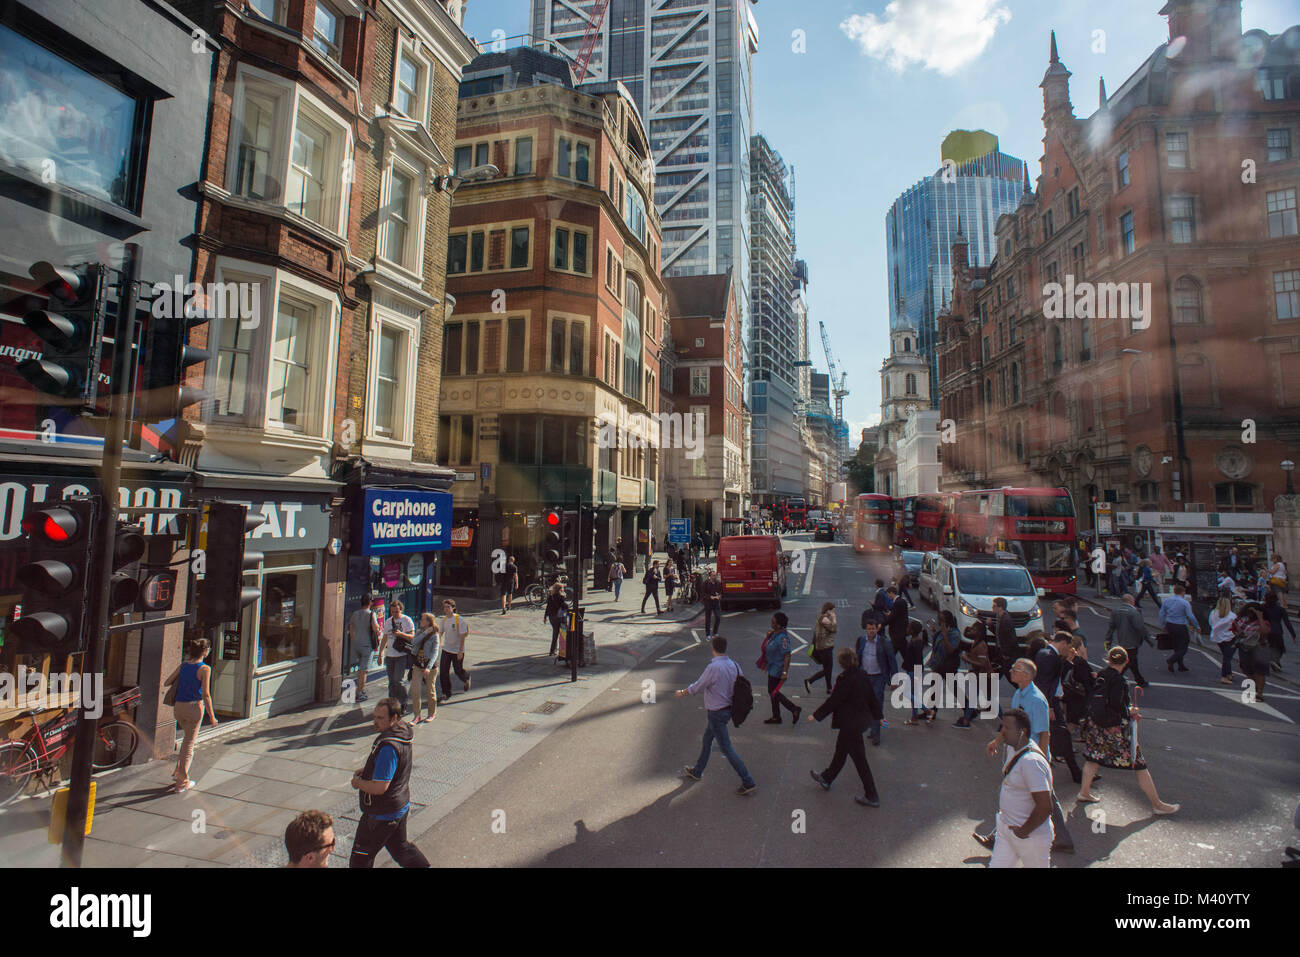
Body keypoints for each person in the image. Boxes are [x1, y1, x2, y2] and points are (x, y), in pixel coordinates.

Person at [974, 658, 1074, 855]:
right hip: (1018, 755)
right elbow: (1010, 723)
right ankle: (1061, 840)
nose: (1011, 671)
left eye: (1016, 669)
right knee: (1025, 797)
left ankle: (999, 838)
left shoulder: (1037, 700)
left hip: (1030, 757)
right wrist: (998, 740)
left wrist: (1043, 761)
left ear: (1027, 675)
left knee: (1036, 798)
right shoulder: (1019, 693)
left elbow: (1044, 733)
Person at [1076, 647, 1180, 815]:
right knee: (1138, 763)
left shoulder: (1101, 674)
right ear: (1126, 662)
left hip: (1097, 724)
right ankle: (1157, 804)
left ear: (1109, 660)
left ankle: (1084, 792)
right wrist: (1130, 711)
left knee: (1093, 756)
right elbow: (1117, 704)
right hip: (1114, 727)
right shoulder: (1119, 680)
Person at [349, 698, 431, 867]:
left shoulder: (388, 747)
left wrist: (358, 783)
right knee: (401, 849)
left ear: (393, 718)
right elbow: (396, 769)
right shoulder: (402, 733)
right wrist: (369, 772)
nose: (375, 722)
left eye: (381, 718)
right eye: (375, 716)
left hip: (381, 814)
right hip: (399, 806)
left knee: (360, 858)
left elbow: (380, 787)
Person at [677, 636, 757, 795]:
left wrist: (683, 692)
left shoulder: (713, 668)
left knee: (726, 747)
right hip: (728, 710)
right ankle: (697, 771)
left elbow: (699, 685)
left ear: (713, 648)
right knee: (707, 740)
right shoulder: (734, 665)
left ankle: (748, 780)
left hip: (716, 713)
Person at [808, 648, 883, 807]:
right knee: (840, 752)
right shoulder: (862, 675)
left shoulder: (845, 679)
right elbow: (872, 697)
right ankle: (827, 778)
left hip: (850, 724)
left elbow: (834, 700)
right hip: (859, 722)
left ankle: (872, 795)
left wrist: (816, 715)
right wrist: (879, 716)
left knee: (860, 761)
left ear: (842, 663)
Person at [985, 707, 1055, 868]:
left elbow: (1045, 806)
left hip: (1030, 838)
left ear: (1022, 732)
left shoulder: (1031, 762)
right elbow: (1004, 734)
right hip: (1005, 829)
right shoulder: (1013, 746)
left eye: (1007, 728)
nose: (1003, 731)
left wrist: (1021, 833)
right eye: (1002, 726)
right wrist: (996, 741)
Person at [165, 637, 217, 793]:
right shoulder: (205, 669)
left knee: (186, 741)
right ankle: (182, 783)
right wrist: (212, 716)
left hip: (178, 708)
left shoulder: (184, 665)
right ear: (205, 651)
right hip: (194, 708)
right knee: (189, 745)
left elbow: (167, 682)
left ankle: (177, 772)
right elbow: (206, 694)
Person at [856, 611, 896, 745]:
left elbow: (892, 661)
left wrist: (894, 679)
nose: (871, 631)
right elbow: (857, 658)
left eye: (873, 629)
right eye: (869, 629)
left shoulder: (884, 643)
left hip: (878, 678)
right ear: (866, 629)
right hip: (865, 678)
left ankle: (877, 734)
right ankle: (873, 729)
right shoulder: (861, 641)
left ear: (877, 629)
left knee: (877, 705)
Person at [761, 612, 801, 725]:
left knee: (773, 691)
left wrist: (784, 672)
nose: (771, 623)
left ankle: (794, 708)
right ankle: (776, 716)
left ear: (778, 625)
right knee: (772, 691)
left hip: (778, 669)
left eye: (773, 621)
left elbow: (787, 655)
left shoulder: (783, 638)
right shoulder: (775, 634)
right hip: (772, 667)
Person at [1104, 593, 1149, 688]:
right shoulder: (1134, 612)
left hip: (1122, 641)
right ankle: (1112, 679)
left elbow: (1111, 627)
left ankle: (1139, 680)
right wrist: (1148, 639)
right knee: (1127, 662)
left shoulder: (1115, 611)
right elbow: (1140, 627)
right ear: (1132, 601)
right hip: (1132, 642)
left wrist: (1108, 640)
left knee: (1133, 661)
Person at [954, 619, 993, 728]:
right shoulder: (975, 643)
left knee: (991, 701)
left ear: (979, 633)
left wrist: (967, 659)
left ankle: (1004, 721)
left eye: (974, 629)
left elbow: (983, 664)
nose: (971, 631)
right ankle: (966, 720)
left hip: (984, 676)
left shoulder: (981, 646)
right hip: (978, 675)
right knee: (974, 698)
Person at [378, 599, 413, 710]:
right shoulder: (388, 621)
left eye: (397, 611)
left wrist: (401, 634)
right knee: (391, 681)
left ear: (401, 610)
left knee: (398, 680)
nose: (395, 614)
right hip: (390, 655)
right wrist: (380, 654)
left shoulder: (407, 620)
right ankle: (392, 704)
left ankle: (403, 701)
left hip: (401, 655)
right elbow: (385, 638)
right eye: (393, 612)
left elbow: (412, 636)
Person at [1234, 604, 1272, 701]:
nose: (1250, 614)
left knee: (1260, 671)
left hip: (1260, 648)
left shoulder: (1264, 622)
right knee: (1245, 668)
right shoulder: (1245, 621)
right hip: (1245, 646)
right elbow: (1236, 629)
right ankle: (1255, 684)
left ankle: (1259, 693)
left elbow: (1264, 632)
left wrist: (1259, 617)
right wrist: (1239, 634)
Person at [408, 613, 441, 724]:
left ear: (428, 622)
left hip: (430, 667)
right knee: (415, 690)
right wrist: (425, 633)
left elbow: (435, 652)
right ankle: (417, 715)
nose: (420, 621)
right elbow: (413, 642)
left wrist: (429, 667)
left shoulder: (435, 635)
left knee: (430, 691)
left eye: (422, 619)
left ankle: (431, 713)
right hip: (418, 665)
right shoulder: (419, 632)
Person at [347, 593, 380, 701]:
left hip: (356, 644)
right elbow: (375, 628)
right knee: (363, 670)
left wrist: (354, 640)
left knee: (359, 669)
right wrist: (378, 629)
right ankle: (359, 692)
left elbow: (351, 628)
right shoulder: (371, 614)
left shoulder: (355, 614)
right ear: (370, 602)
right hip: (367, 645)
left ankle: (359, 690)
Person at [1158, 583, 1196, 673]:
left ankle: (1180, 665)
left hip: (1170, 625)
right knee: (1183, 647)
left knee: (1176, 645)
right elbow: (1190, 616)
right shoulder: (1184, 603)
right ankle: (1171, 660)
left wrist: (1163, 625)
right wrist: (1196, 626)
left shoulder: (1167, 601)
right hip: (1180, 626)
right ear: (1182, 592)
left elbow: (1162, 614)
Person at [437, 599, 471, 701]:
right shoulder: (443, 620)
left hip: (457, 650)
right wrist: (438, 644)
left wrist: (460, 651)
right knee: (443, 672)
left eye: (448, 607)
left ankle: (466, 678)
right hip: (447, 649)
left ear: (453, 608)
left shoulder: (459, 620)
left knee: (458, 670)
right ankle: (446, 693)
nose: (446, 609)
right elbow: (440, 633)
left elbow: (462, 636)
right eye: (445, 607)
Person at [902, 620, 932, 724]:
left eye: (908, 628)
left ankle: (927, 710)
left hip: (913, 672)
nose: (906, 629)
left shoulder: (916, 642)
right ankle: (914, 718)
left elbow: (918, 660)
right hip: (912, 671)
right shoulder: (915, 640)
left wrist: (916, 675)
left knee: (907, 693)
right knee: (913, 695)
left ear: (912, 630)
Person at [806, 601, 838, 694]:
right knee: (828, 669)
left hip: (823, 646)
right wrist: (834, 618)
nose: (833, 613)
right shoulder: (824, 619)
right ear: (828, 610)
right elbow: (834, 629)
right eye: (832, 611)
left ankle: (829, 688)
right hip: (825, 647)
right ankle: (810, 680)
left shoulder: (822, 618)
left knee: (827, 668)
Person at [1261, 589, 1295, 671]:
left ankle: (1273, 661)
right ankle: (1275, 660)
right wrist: (1293, 634)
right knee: (1280, 648)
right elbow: (1287, 622)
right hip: (1277, 630)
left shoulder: (1263, 608)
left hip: (1267, 630)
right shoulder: (1280, 609)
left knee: (1270, 646)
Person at [1208, 596, 1238, 685]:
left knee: (1226, 656)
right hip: (1230, 638)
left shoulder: (1213, 613)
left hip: (1218, 638)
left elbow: (1210, 623)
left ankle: (1229, 674)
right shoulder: (1232, 615)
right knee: (1227, 657)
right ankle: (1224, 676)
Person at [993, 597, 1019, 680]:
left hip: (1006, 653)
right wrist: (990, 626)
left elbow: (1010, 638)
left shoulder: (1006, 620)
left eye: (994, 606)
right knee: (997, 673)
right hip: (1001, 651)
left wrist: (1006, 653)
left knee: (1009, 674)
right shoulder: (999, 617)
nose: (992, 608)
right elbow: (999, 633)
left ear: (1000, 607)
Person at [544, 582, 570, 661]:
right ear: (560, 589)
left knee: (555, 633)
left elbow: (548, 607)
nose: (563, 589)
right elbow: (565, 606)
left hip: (552, 617)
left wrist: (545, 617)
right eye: (562, 588)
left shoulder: (550, 597)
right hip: (560, 617)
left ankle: (552, 650)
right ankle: (562, 652)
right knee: (562, 634)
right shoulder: (560, 597)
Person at [884, 585, 910, 657]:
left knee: (892, 655)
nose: (888, 597)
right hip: (900, 635)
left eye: (888, 595)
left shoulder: (898, 602)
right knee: (907, 656)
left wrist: (881, 624)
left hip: (898, 634)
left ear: (892, 593)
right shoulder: (916, 643)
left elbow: (893, 617)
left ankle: (888, 666)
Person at [702, 569, 722, 640]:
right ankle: (707, 634)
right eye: (713, 575)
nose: (715, 577)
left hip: (716, 603)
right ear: (710, 576)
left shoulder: (718, 583)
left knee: (718, 617)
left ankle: (715, 632)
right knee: (708, 619)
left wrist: (719, 596)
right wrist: (710, 597)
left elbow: (720, 592)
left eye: (715, 575)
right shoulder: (706, 583)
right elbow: (703, 594)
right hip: (708, 603)